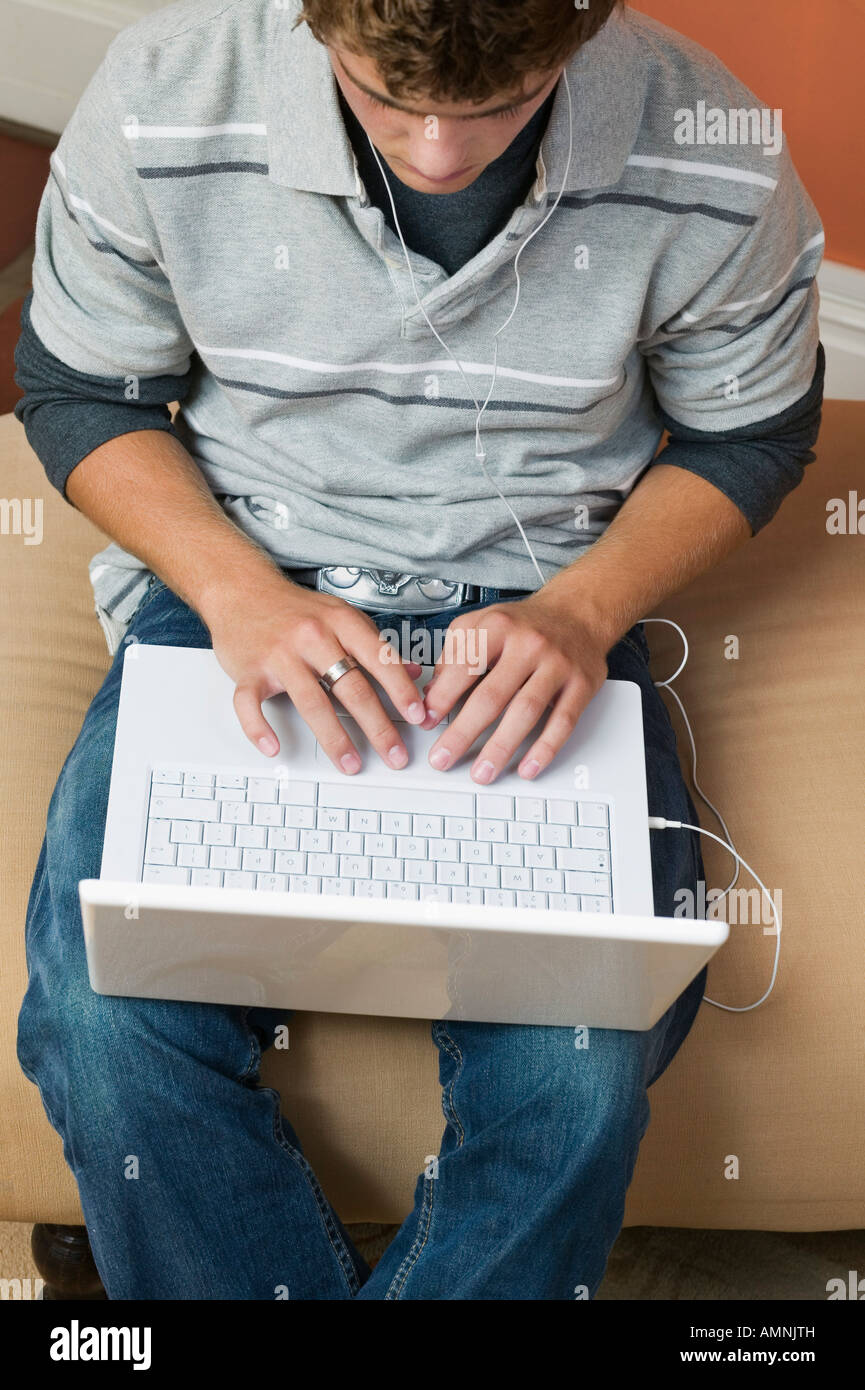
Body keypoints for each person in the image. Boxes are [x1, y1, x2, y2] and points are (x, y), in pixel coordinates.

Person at [14, 0, 823, 1299]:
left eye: (498, 107)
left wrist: (582, 607)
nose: (439, 156)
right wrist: (233, 592)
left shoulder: (708, 143)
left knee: (581, 1064)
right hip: (245, 575)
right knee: (102, 1030)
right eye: (385, 101)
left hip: (549, 595)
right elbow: (79, 390)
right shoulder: (166, 89)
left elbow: (751, 436)